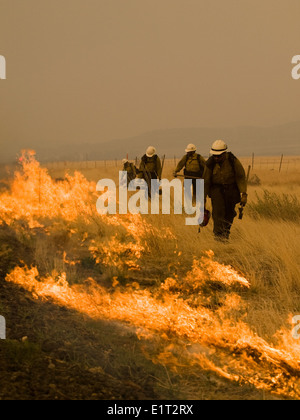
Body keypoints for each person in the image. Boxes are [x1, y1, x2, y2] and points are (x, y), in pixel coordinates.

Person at [206, 140, 248, 241]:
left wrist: (244, 194)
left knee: (229, 214)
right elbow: (205, 181)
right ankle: (218, 236)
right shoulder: (210, 164)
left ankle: (226, 234)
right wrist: (202, 198)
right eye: (215, 156)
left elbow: (241, 177)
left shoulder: (233, 161)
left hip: (231, 190)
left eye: (219, 156)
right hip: (216, 190)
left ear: (224, 153)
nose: (216, 158)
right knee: (218, 214)